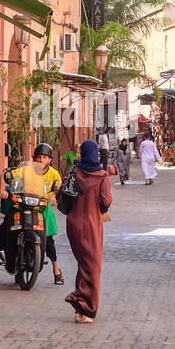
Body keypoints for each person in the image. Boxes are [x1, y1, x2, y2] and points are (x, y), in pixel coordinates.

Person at [0, 142, 64, 284]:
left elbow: (57, 188)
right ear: (34, 159)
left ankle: (56, 270)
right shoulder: (26, 169)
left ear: (50, 160)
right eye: (39, 157)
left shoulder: (54, 174)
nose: (41, 160)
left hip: (41, 209)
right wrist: (3, 189)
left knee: (49, 238)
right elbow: (5, 175)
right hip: (22, 205)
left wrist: (53, 196)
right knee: (4, 227)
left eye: (45, 157)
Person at [65, 138, 112, 322]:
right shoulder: (101, 175)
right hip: (91, 224)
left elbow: (63, 192)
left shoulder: (75, 171)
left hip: (74, 224)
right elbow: (106, 201)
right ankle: (85, 307)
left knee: (83, 265)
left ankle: (80, 308)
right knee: (92, 267)